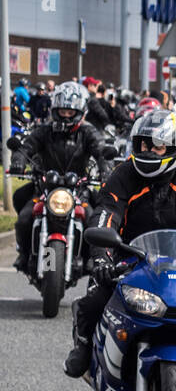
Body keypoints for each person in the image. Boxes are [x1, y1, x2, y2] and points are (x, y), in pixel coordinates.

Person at [65, 110, 176, 377]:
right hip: (125, 255)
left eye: (158, 146)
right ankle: (82, 345)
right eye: (143, 144)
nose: (149, 151)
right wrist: (102, 258)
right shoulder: (123, 173)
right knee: (96, 298)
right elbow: (106, 214)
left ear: (175, 147)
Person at [11, 82, 116, 272]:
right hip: (45, 188)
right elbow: (26, 146)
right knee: (24, 218)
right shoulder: (45, 130)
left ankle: (93, 259)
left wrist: (106, 170)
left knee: (94, 219)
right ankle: (25, 254)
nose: (66, 115)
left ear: (80, 111)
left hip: (79, 189)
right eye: (62, 111)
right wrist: (18, 160)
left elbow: (101, 151)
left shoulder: (87, 131)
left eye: (70, 112)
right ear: (55, 110)